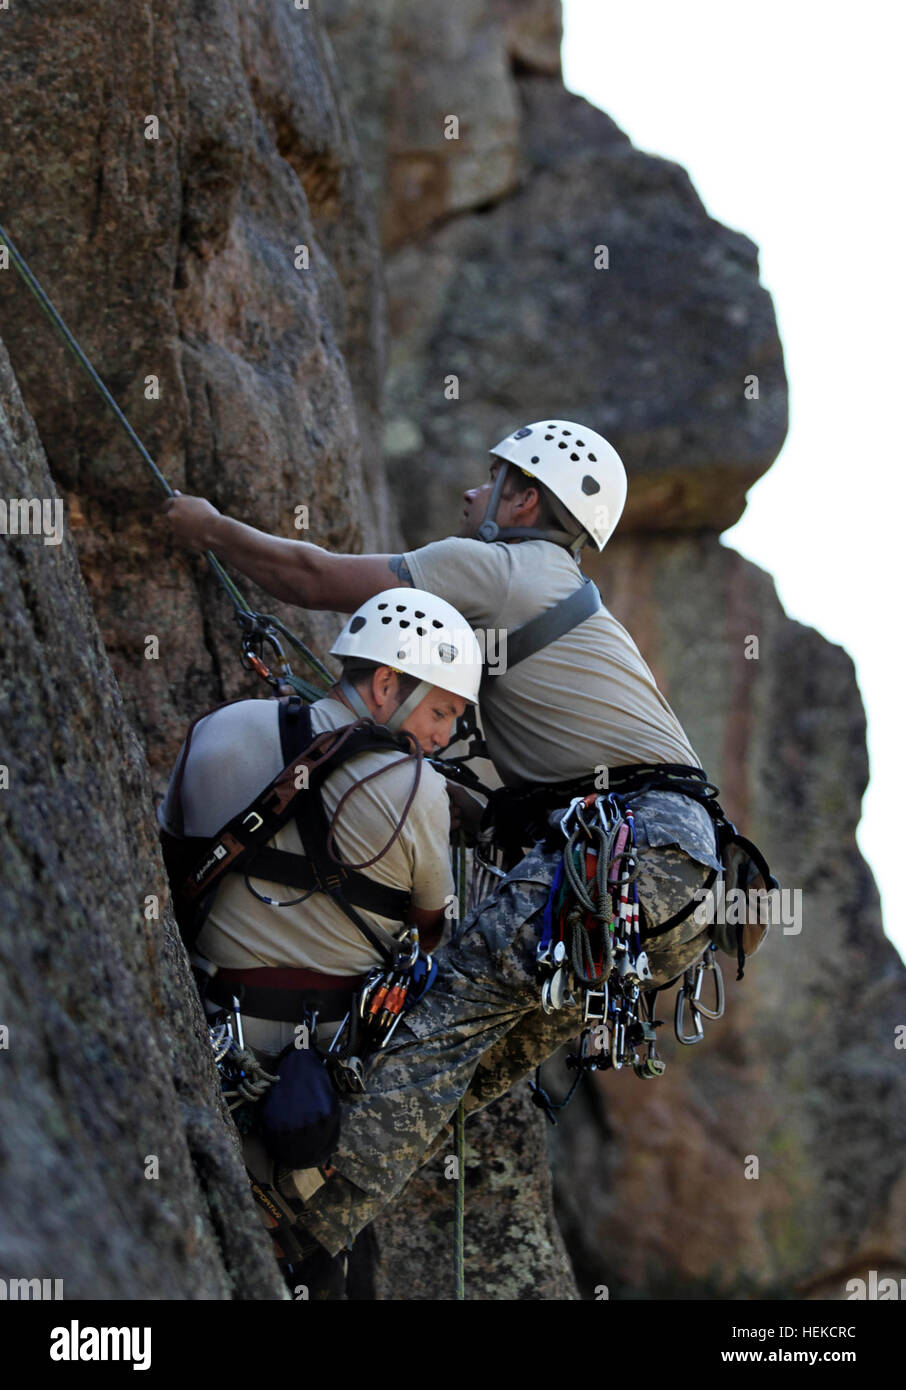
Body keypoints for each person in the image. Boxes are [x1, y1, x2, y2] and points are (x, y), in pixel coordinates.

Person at [162, 421, 765, 1261]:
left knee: (436, 1021)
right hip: (672, 887)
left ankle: (297, 1218)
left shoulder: (497, 566)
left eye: (490, 482)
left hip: (621, 855)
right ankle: (310, 1195)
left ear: (524, 500)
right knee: (467, 1066)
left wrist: (208, 530)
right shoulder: (572, 609)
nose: (469, 497)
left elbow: (311, 576)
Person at [157, 587, 482, 1276]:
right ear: (387, 683)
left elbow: (166, 860)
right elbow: (430, 932)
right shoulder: (416, 788)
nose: (444, 736)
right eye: (441, 710)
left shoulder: (219, 728)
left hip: (203, 1039)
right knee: (333, 1261)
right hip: (324, 1080)